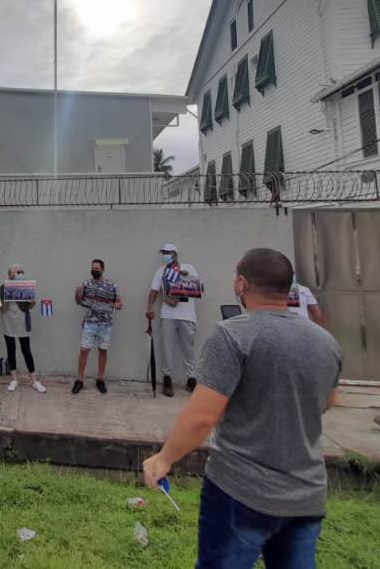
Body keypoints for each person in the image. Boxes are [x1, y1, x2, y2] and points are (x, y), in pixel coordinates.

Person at [143, 248, 342, 569]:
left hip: (240, 495)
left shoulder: (233, 334)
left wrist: (164, 458)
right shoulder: (325, 341)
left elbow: (202, 418)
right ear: (290, 287)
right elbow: (327, 402)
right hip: (306, 495)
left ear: (241, 284)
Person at [146, 243, 200, 398]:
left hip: (187, 315)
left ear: (175, 254)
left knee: (188, 349)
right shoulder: (161, 271)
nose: (165, 256)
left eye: (168, 253)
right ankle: (167, 378)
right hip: (168, 314)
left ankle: (191, 378)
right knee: (167, 347)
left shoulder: (188, 267)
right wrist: (150, 307)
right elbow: (154, 290)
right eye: (164, 253)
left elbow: (199, 287)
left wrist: (186, 276)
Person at [0, 263, 46, 393]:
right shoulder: (4, 287)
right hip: (8, 319)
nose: (20, 273)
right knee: (11, 348)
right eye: (18, 272)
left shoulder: (26, 287)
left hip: (22, 319)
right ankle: (14, 378)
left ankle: (34, 379)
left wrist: (32, 303)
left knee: (26, 349)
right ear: (10, 274)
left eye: (22, 271)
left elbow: (30, 305)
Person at [72, 259, 122, 395]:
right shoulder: (86, 284)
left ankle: (100, 379)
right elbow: (78, 302)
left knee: (103, 350)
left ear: (103, 269)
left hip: (105, 324)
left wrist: (118, 306)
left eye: (97, 268)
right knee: (84, 350)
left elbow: (119, 303)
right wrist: (77, 293)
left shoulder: (111, 285)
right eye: (92, 268)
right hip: (90, 322)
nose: (94, 270)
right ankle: (79, 380)